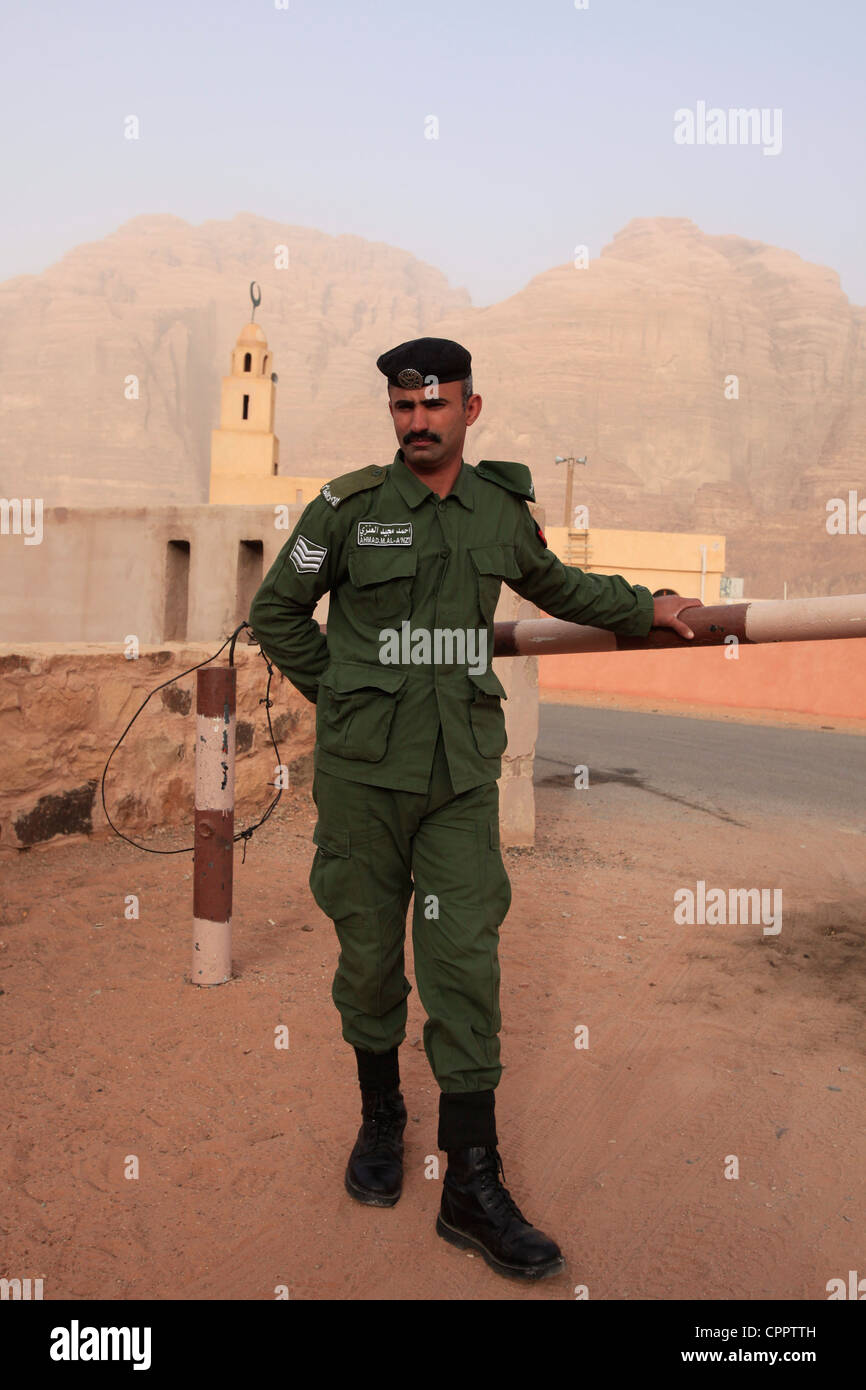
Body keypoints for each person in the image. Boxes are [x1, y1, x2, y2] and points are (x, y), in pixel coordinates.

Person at [248, 336, 701, 1282]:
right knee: (369, 958)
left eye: (435, 406)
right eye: (403, 409)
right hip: (364, 782)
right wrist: (342, 694)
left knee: (465, 965)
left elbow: (558, 587)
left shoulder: (499, 508)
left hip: (458, 777)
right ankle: (381, 1118)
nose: (418, 422)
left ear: (471, 408)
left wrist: (643, 607)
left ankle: (471, 1181)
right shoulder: (349, 509)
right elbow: (277, 609)